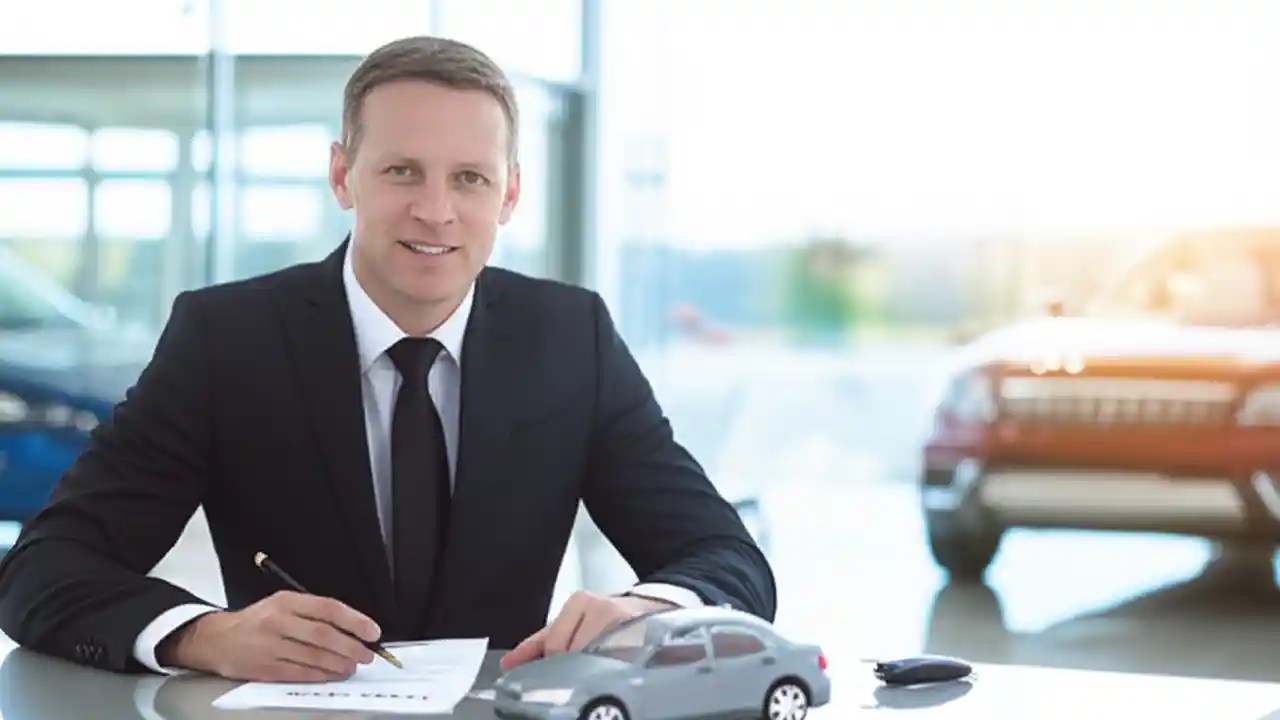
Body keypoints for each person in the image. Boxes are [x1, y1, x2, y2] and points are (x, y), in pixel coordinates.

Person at [0, 36, 774, 682]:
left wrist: (646, 612)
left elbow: (724, 555)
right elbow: (45, 568)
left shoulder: (572, 338)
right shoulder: (226, 339)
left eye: (470, 178)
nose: (435, 210)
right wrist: (205, 636)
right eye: (403, 171)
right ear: (343, 176)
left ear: (509, 195)